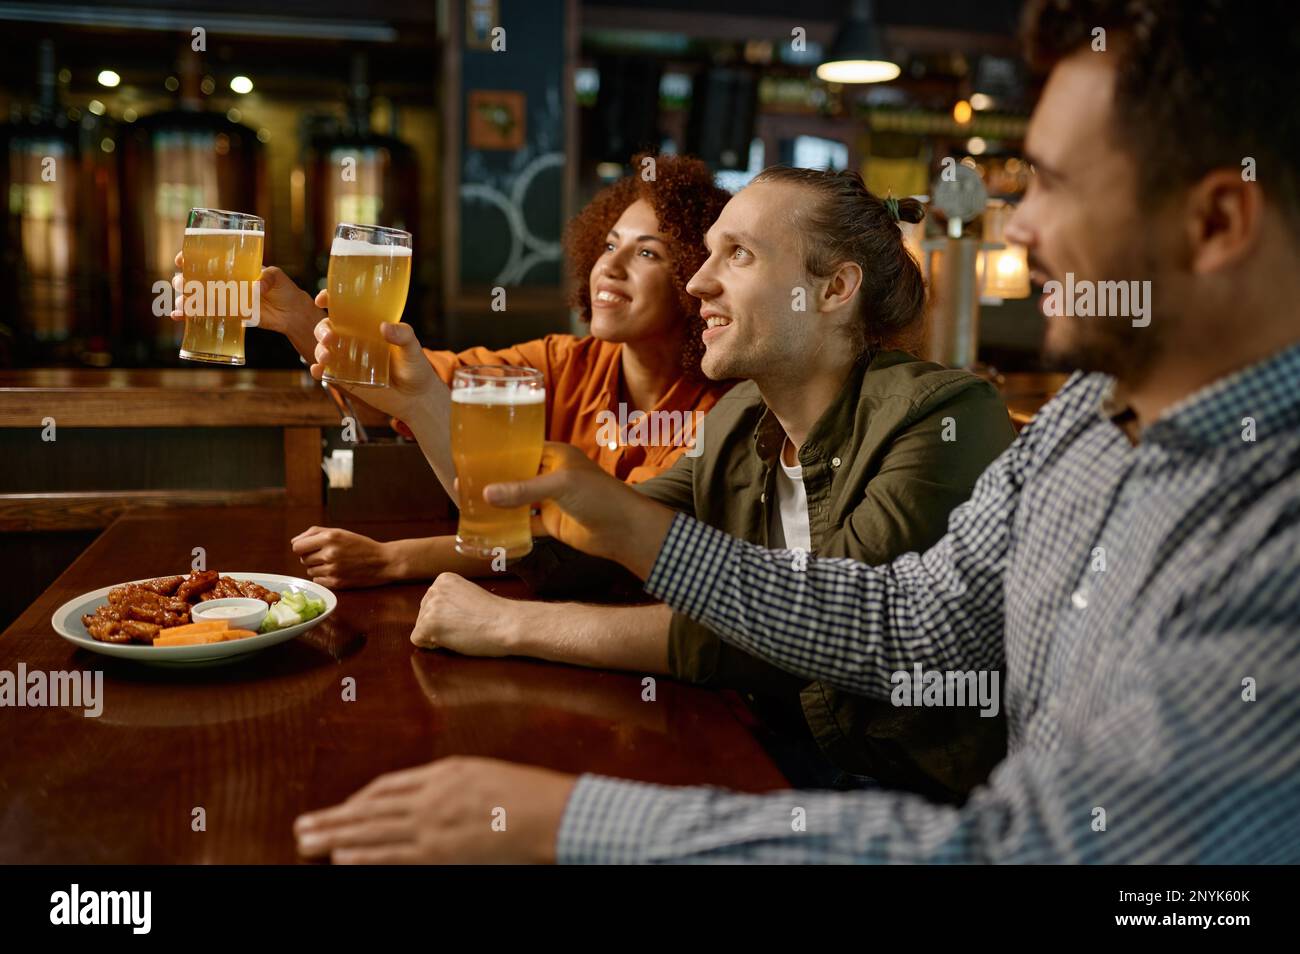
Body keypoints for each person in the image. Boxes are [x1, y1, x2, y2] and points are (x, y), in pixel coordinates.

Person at [293, 0, 1300, 864]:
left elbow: (1030, 855)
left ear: (1215, 223)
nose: (1014, 227)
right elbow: (909, 623)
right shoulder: (1083, 421)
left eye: (1048, 184)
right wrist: (624, 523)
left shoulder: (1272, 535)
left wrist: (572, 822)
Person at [400, 166, 1016, 801]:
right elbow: (579, 555)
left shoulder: (946, 419)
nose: (697, 281)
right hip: (771, 757)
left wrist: (510, 628)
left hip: (909, 799)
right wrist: (419, 398)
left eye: (739, 254)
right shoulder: (739, 417)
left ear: (834, 288)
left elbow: (819, 637)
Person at [171, 154, 734, 585]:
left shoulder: (724, 408)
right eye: (608, 245)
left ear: (697, 278)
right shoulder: (564, 361)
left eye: (647, 253)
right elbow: (389, 392)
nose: (608, 267)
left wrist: (398, 558)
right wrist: (296, 317)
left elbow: (594, 547)